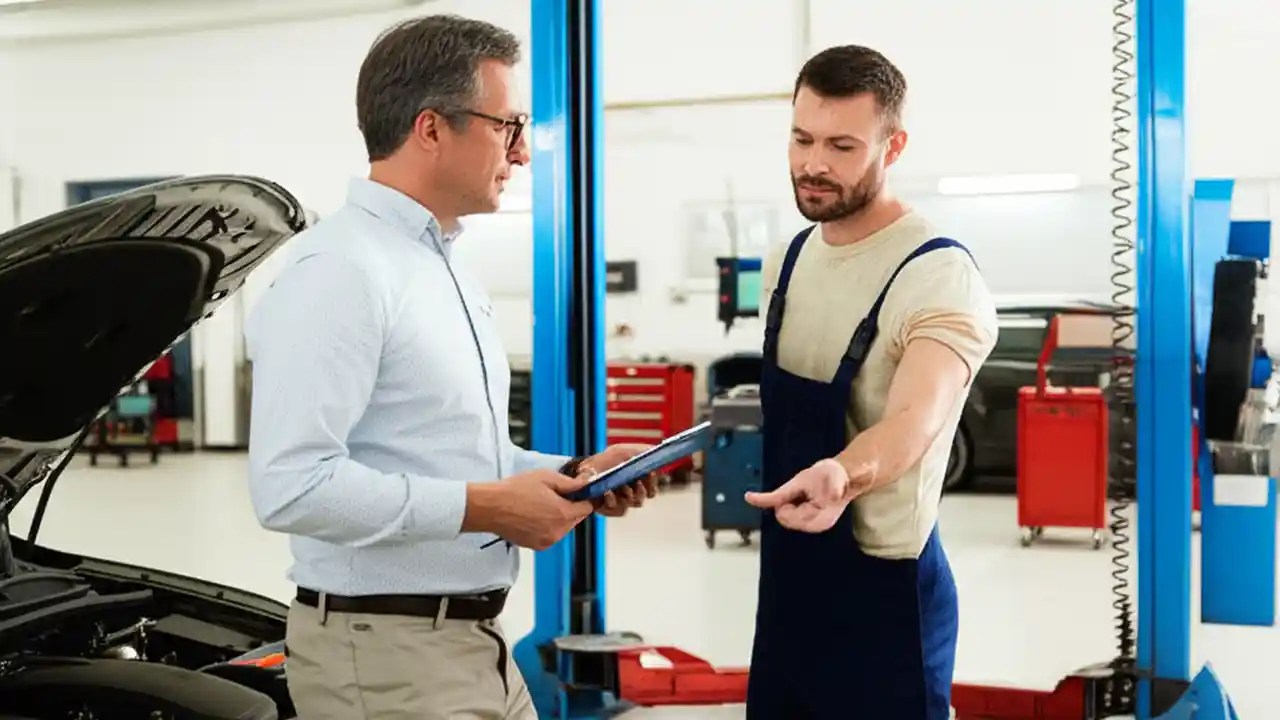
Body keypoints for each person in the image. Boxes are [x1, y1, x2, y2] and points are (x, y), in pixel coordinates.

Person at [244, 14, 656, 720]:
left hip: (473, 646)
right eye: (508, 126)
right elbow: (289, 487)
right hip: (386, 662)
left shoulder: (439, 264)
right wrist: (491, 507)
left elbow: (457, 451)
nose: (521, 154)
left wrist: (572, 473)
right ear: (431, 128)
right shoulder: (340, 271)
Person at [742, 45, 998, 719]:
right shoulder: (787, 260)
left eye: (842, 146)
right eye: (801, 139)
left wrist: (844, 474)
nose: (813, 164)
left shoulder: (936, 273)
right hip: (788, 583)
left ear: (895, 145)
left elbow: (917, 418)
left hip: (885, 595)